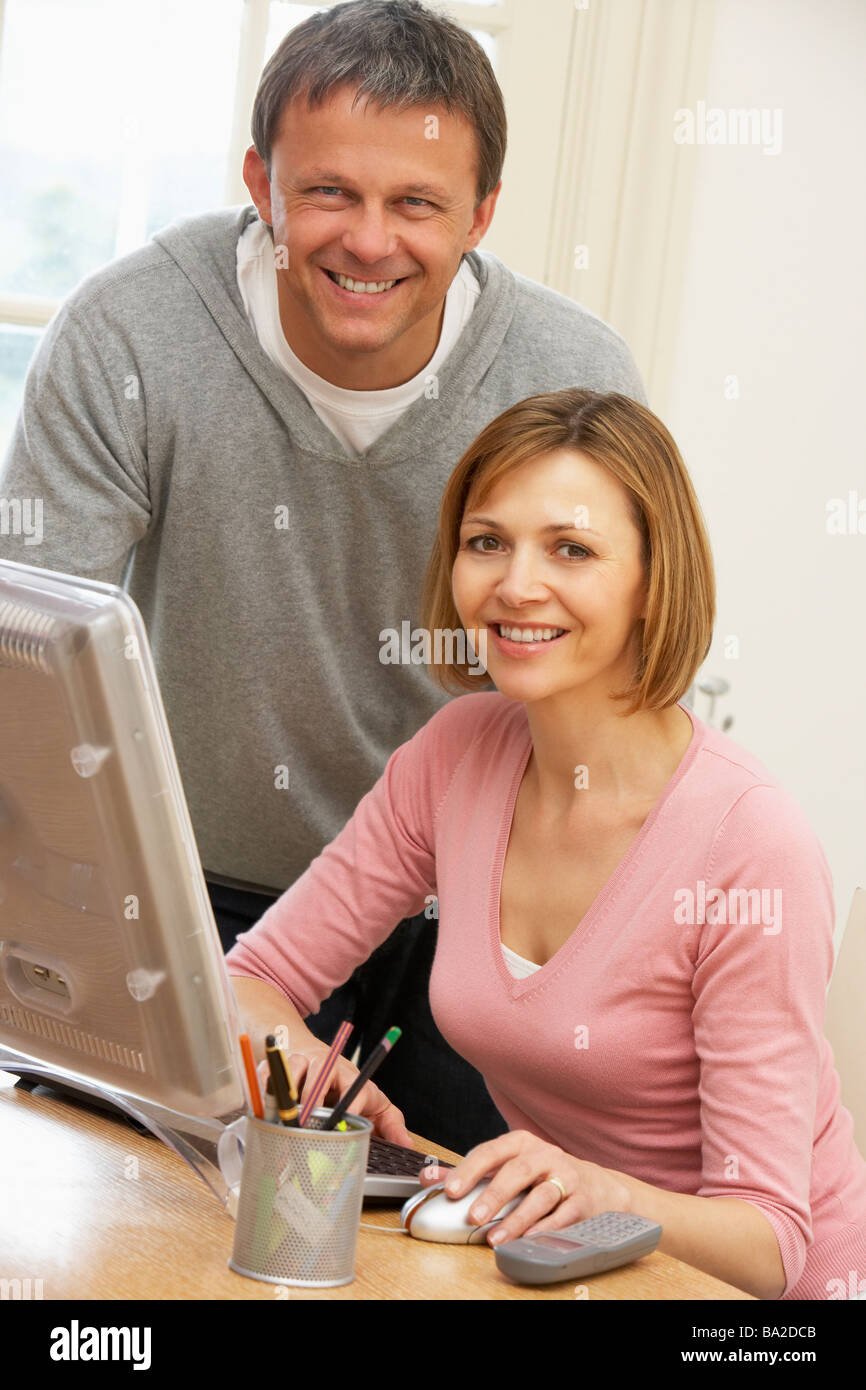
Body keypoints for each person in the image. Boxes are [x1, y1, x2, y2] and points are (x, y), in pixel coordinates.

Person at [0, 0, 645, 1154]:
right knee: (162, 1228)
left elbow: (616, 682)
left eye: (415, 204)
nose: (368, 240)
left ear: (481, 214)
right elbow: (29, 667)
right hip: (200, 895)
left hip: (475, 921)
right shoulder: (133, 333)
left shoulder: (571, 376)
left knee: (465, 1244)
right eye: (329, 192)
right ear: (261, 180)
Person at [226, 388, 866, 1301]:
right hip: (572, 1268)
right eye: (488, 541)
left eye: (572, 549)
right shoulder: (454, 756)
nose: (517, 585)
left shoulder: (749, 842)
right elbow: (253, 982)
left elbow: (771, 1242)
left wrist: (599, 1190)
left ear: (654, 579)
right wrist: (306, 1073)